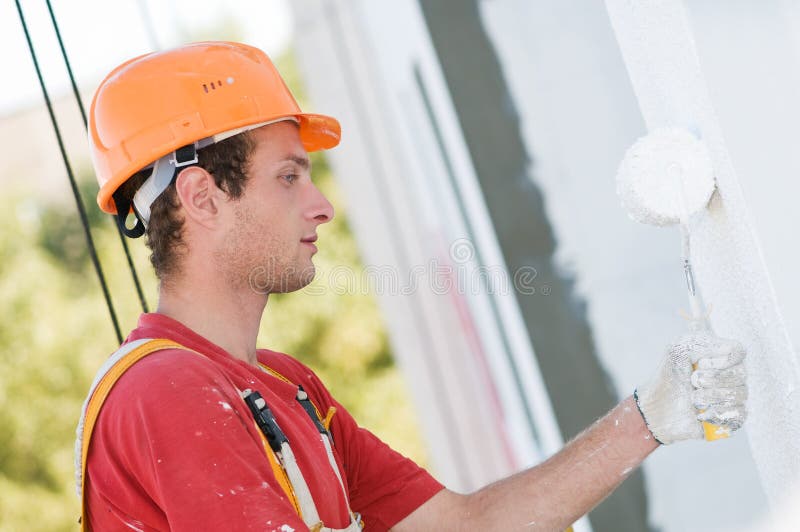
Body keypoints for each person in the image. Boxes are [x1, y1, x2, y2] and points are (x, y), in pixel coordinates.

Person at [76, 41, 748, 532]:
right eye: (289, 177)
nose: (321, 206)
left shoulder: (287, 388)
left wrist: (653, 415)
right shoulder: (167, 395)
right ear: (200, 196)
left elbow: (466, 527)